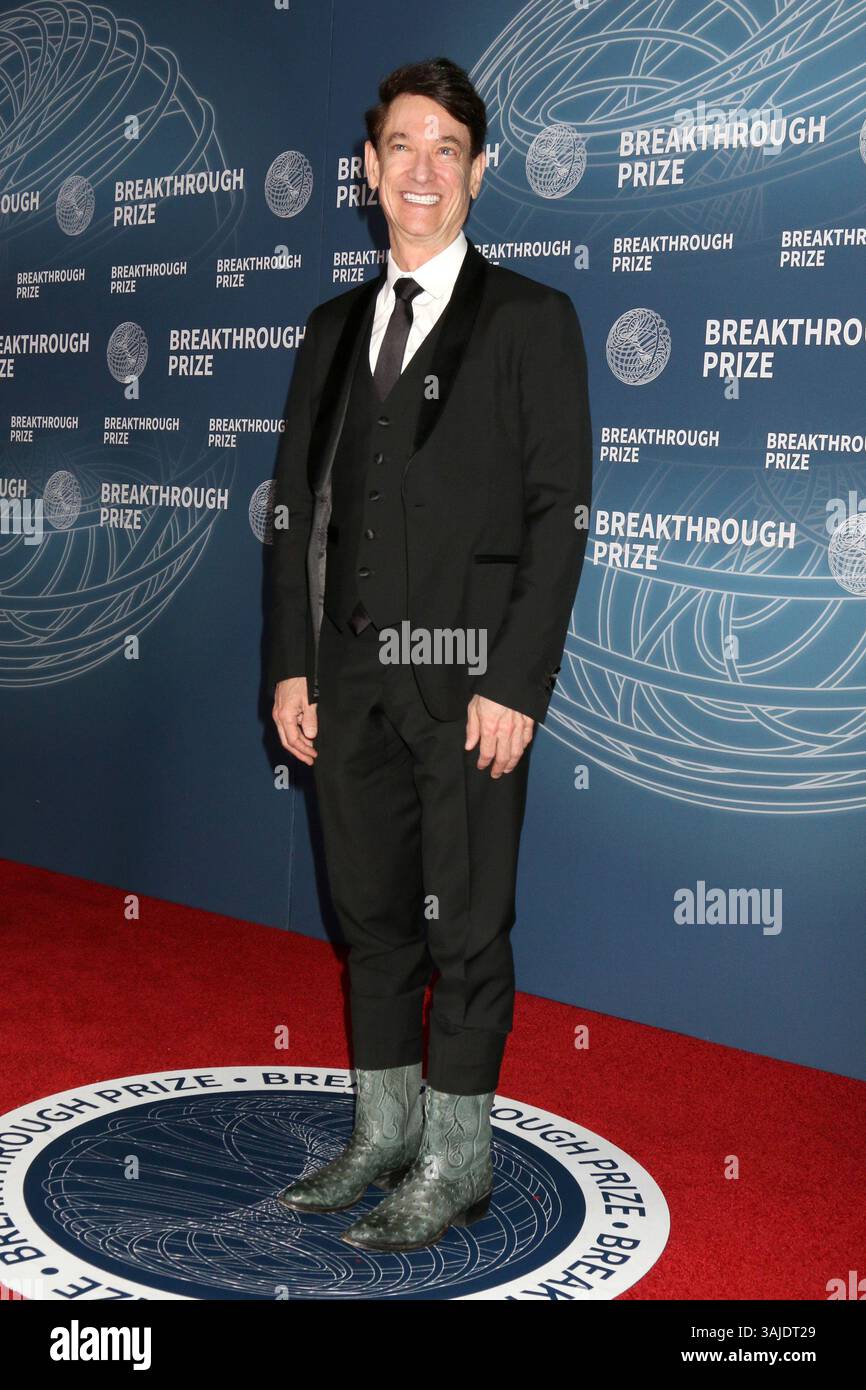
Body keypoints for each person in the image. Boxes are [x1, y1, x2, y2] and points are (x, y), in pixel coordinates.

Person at [267, 56, 592, 1252]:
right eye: (400, 146)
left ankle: (454, 1161)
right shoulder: (329, 328)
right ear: (367, 169)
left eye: (444, 150)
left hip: (468, 690)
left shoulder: (529, 322)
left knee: (464, 928)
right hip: (345, 685)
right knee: (368, 919)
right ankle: (383, 1131)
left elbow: (561, 511)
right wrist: (290, 666)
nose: (420, 170)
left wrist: (515, 681)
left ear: (477, 173)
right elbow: (301, 513)